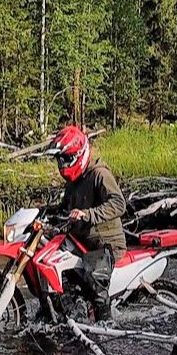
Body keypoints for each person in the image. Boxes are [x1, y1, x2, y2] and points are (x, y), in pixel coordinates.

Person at [51, 124, 127, 320]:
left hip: (105, 245)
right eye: (60, 160)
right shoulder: (73, 183)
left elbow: (119, 204)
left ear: (80, 154)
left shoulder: (99, 174)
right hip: (82, 243)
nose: (63, 164)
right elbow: (64, 209)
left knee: (95, 284)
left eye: (67, 159)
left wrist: (88, 215)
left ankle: (105, 327)